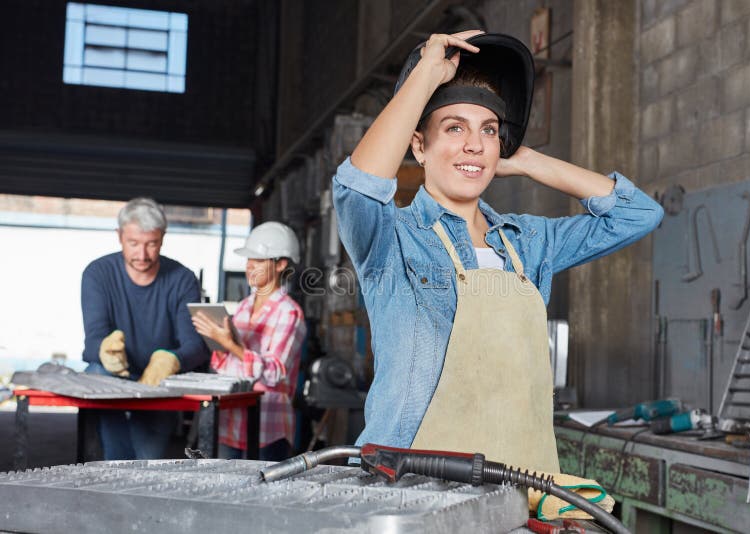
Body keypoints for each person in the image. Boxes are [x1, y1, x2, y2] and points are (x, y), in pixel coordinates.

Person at [332, 31, 664, 474]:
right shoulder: (391, 239)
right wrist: (427, 73)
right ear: (419, 145)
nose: (474, 144)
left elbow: (638, 214)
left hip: (513, 483)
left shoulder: (528, 242)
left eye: (488, 130)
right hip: (409, 483)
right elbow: (357, 188)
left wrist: (526, 160)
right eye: (454, 128)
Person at [82, 197, 209, 460]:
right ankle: (114, 465)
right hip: (113, 379)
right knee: (97, 372)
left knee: (146, 466)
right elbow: (92, 341)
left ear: (162, 238)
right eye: (133, 243)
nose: (142, 255)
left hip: (159, 383)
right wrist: (105, 351)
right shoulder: (97, 274)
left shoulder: (183, 279)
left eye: (151, 244)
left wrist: (173, 359)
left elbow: (196, 346)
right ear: (119, 236)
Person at [192, 222, 306, 461]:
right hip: (231, 421)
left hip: (268, 427)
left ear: (281, 264)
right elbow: (227, 367)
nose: (249, 266)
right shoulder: (243, 307)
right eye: (248, 259)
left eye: (258, 260)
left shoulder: (289, 313)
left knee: (264, 485)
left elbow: (275, 373)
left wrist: (231, 345)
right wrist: (217, 343)